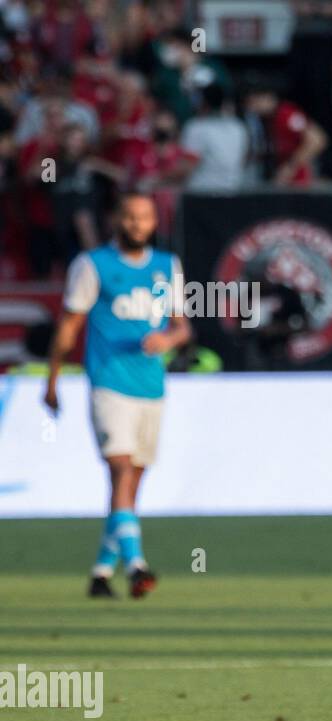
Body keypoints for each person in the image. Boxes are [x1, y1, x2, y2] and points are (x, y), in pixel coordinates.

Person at [43, 192, 191, 598]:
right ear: (116, 221)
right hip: (109, 383)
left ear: (153, 222)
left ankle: (101, 573)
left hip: (152, 388)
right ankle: (138, 565)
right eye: (129, 217)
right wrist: (52, 381)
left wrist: (168, 339)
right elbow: (70, 325)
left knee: (131, 482)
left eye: (144, 217)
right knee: (122, 471)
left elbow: (182, 326)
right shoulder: (93, 266)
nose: (136, 224)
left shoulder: (167, 266)